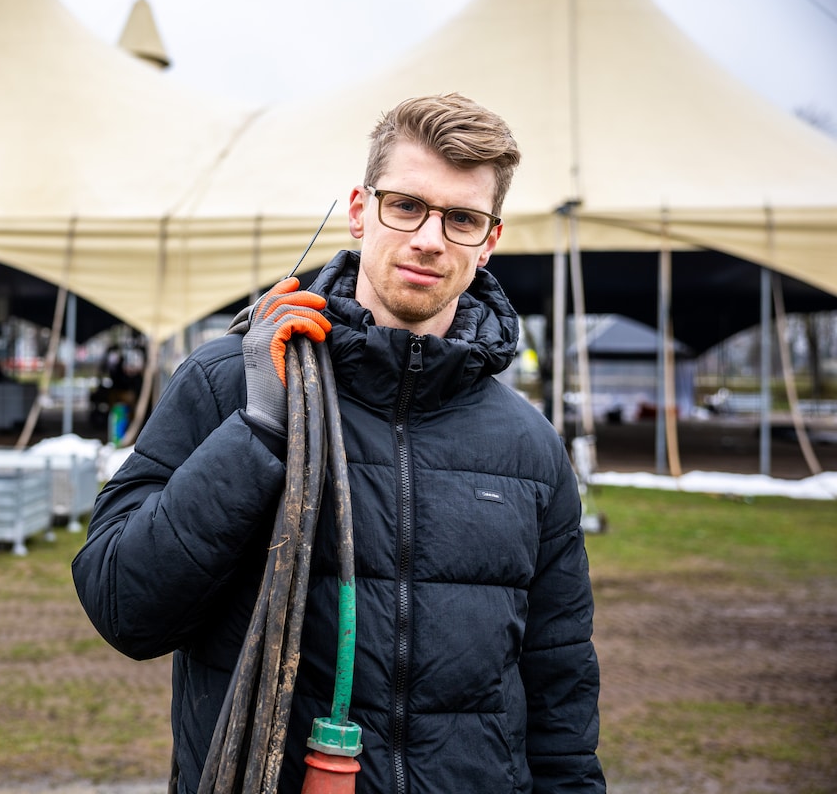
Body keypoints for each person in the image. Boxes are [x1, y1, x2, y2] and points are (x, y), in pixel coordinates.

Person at [72, 94, 604, 792]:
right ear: (360, 209)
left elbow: (561, 686)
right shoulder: (231, 381)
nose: (430, 238)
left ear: (489, 240)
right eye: (406, 206)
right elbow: (123, 607)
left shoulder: (529, 445)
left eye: (462, 219)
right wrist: (258, 430)